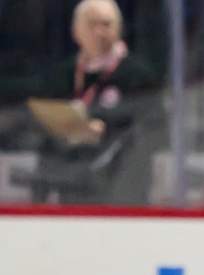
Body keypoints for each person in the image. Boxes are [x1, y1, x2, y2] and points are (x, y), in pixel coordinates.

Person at [34, 0, 160, 205]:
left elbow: (153, 128)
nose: (100, 32)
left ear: (119, 29)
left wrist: (107, 132)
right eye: (92, 24)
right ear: (76, 32)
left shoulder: (137, 74)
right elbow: (44, 133)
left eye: (107, 24)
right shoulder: (62, 73)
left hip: (121, 189)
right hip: (72, 187)